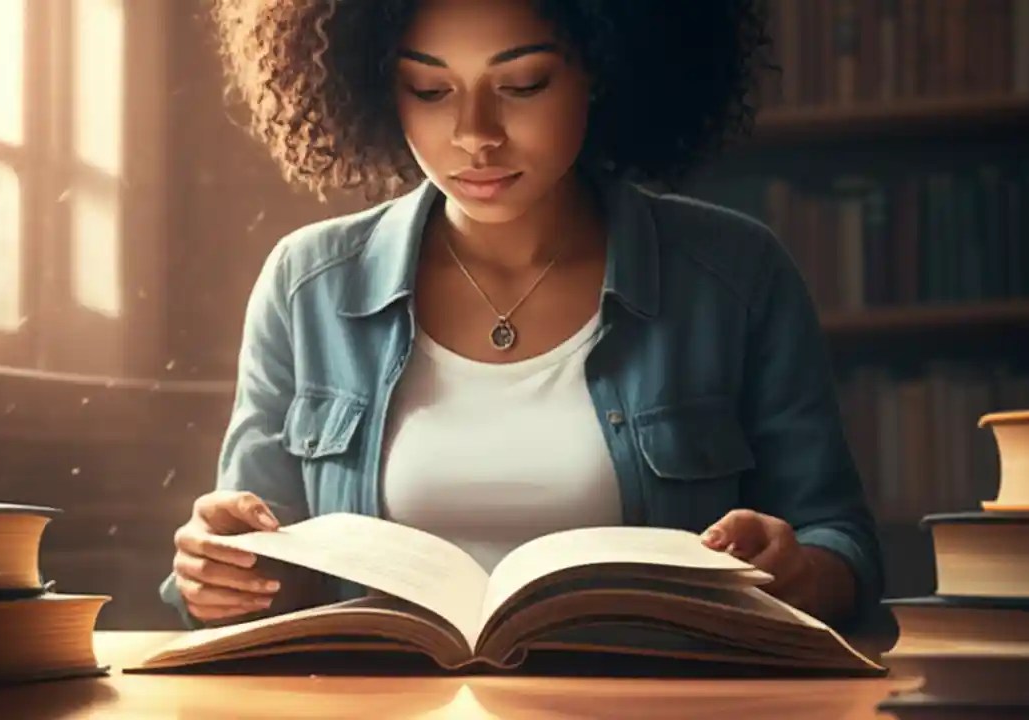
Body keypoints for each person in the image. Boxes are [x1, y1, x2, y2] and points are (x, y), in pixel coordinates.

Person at [160, 0, 884, 636]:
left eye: (523, 84)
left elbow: (843, 546)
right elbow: (252, 566)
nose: (476, 134)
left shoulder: (734, 275)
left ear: (600, 67)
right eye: (430, 88)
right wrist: (216, 572)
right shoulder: (307, 285)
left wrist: (802, 571)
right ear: (381, 87)